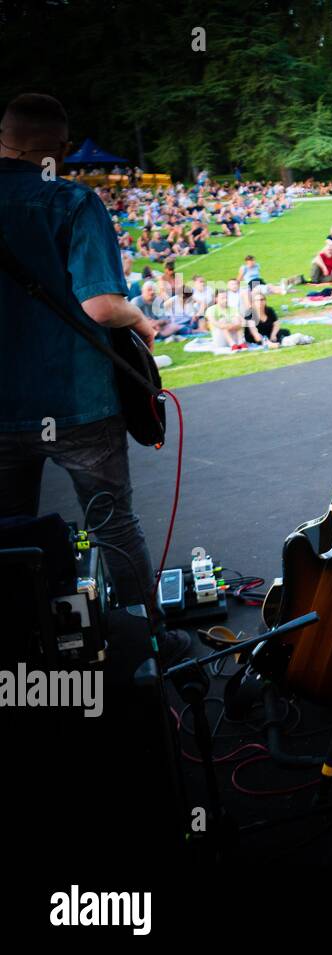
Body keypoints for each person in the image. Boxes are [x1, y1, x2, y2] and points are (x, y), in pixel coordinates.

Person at [0, 92, 166, 624]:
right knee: (113, 524)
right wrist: (140, 319)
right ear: (63, 149)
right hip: (79, 400)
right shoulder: (72, 201)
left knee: (10, 532)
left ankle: (29, 646)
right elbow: (100, 306)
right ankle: (151, 648)